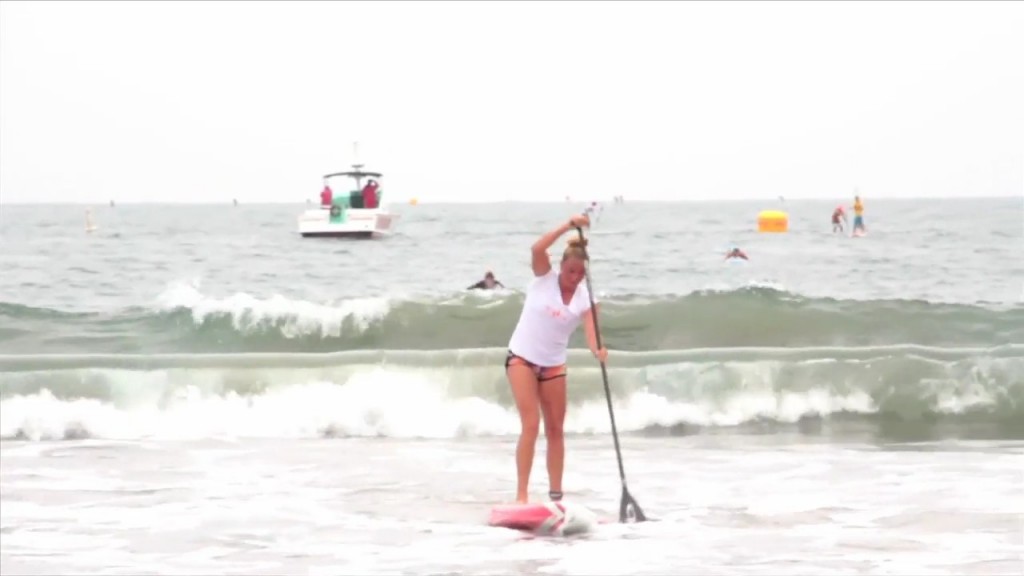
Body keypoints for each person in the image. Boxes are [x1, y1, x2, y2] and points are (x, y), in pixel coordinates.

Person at [505, 213, 607, 504]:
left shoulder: (586, 298)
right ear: (562, 266)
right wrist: (567, 225)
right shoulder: (543, 279)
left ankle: (556, 497)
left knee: (556, 429)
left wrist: (598, 349)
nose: (574, 278)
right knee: (531, 424)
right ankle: (521, 497)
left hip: (553, 365)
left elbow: (592, 333)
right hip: (522, 359)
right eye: (570, 271)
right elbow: (537, 250)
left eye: (580, 274)